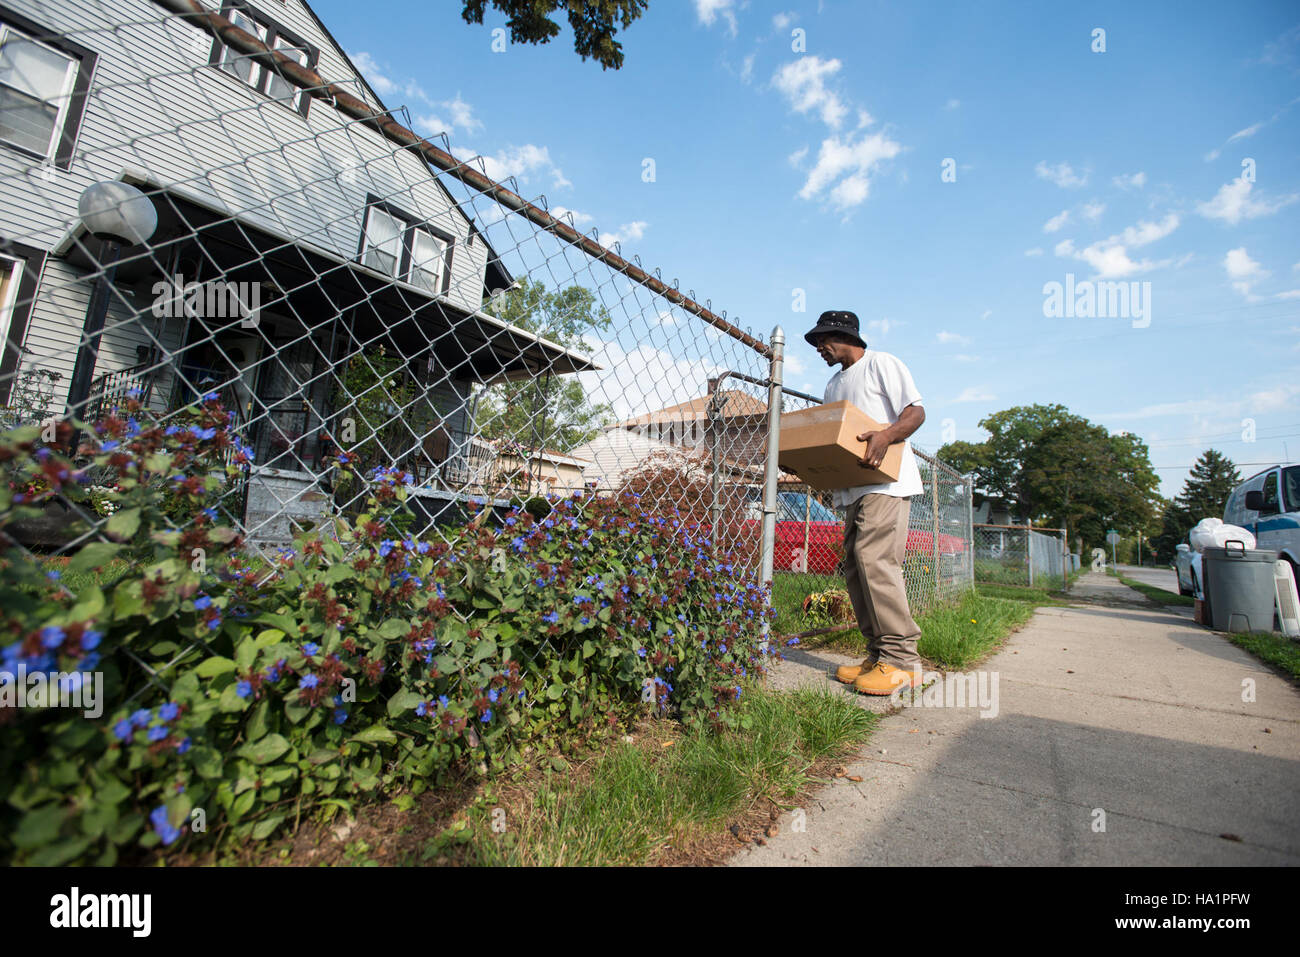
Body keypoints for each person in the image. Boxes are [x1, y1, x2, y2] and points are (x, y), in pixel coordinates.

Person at [805, 310, 926, 695]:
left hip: (887, 483)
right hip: (854, 487)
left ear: (842, 335)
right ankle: (878, 655)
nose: (819, 349)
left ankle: (903, 660)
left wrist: (887, 435)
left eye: (822, 341)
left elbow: (916, 412)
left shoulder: (882, 364)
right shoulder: (832, 385)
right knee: (857, 567)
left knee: (876, 561)